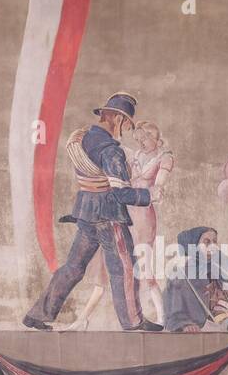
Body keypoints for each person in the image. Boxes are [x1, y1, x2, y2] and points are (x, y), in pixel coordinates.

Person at [22, 92, 162, 332]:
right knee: (125, 268)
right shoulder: (111, 151)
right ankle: (132, 321)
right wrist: (150, 195)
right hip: (109, 217)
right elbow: (120, 193)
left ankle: (38, 314)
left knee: (73, 267)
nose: (127, 130)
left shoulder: (81, 138)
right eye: (127, 124)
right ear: (118, 119)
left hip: (86, 213)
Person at [67, 118, 172, 330]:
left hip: (142, 216)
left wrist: (155, 190)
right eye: (138, 138)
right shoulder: (134, 156)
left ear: (157, 139)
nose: (141, 141)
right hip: (123, 212)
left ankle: (162, 319)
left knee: (143, 267)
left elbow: (159, 186)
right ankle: (83, 317)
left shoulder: (165, 157)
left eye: (145, 137)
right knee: (107, 265)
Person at [162, 227, 228, 332]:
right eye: (207, 242)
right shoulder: (180, 276)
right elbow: (173, 314)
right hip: (193, 337)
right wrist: (185, 325)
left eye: (214, 242)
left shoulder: (218, 273)